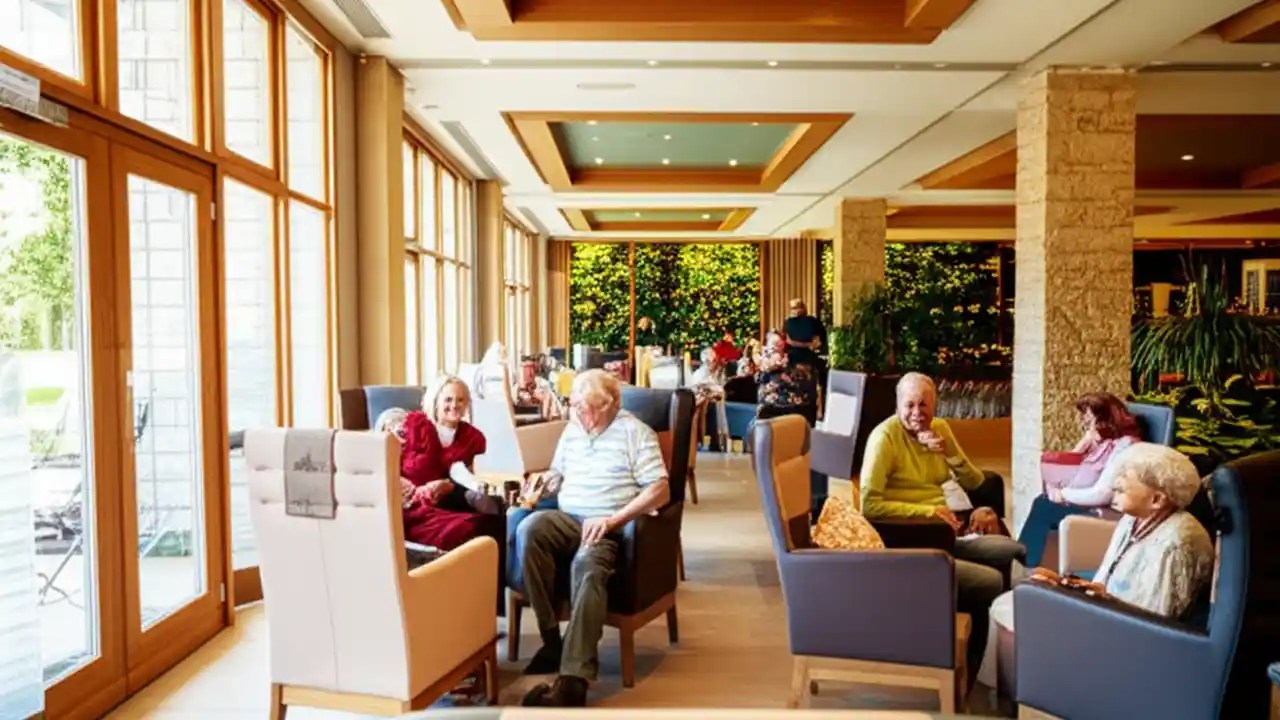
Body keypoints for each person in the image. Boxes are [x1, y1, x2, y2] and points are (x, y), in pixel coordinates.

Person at [979, 443, 1215, 686]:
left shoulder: (1178, 542)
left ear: (1156, 499)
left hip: (1130, 644)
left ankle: (1035, 697)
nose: (1115, 483)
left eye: (1126, 477)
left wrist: (1080, 602)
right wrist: (1069, 586)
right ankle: (1011, 696)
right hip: (1110, 616)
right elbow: (1106, 583)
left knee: (1022, 609)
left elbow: (1156, 623)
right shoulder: (1132, 521)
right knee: (1016, 600)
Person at [517, 369, 671, 707]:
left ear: (611, 404)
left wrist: (613, 520)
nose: (579, 415)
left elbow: (660, 490)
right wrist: (546, 482)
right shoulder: (574, 428)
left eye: (587, 408)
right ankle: (550, 641)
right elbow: (559, 471)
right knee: (529, 529)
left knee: (588, 565)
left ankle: (574, 679)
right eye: (575, 406)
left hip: (609, 525)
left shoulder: (636, 433)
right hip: (568, 519)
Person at [858, 372, 1025, 684]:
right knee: (990, 581)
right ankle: (973, 669)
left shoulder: (940, 429)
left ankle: (996, 658)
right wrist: (927, 510)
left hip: (943, 533)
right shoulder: (885, 438)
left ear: (935, 406)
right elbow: (869, 505)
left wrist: (948, 452)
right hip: (911, 540)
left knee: (1012, 550)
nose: (917, 413)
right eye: (909, 405)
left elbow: (976, 482)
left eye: (924, 405)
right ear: (897, 405)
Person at [1017, 392, 1141, 568]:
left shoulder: (1124, 447)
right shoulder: (1103, 444)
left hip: (1106, 512)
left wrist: (1063, 495)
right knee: (1043, 502)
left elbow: (1102, 494)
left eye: (1089, 421)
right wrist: (1081, 447)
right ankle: (1024, 562)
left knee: (1044, 507)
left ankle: (1023, 565)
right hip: (1090, 505)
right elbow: (1072, 475)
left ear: (1106, 421)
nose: (1085, 425)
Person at [399, 375, 502, 549]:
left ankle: (491, 576)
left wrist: (448, 486)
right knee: (468, 530)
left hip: (447, 505)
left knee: (492, 521)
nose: (454, 405)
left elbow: (471, 479)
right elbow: (386, 462)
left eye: (460, 400)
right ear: (436, 402)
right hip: (409, 507)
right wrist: (403, 485)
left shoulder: (471, 437)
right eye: (448, 399)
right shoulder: (414, 426)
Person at [755, 329, 817, 420]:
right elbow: (763, 370)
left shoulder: (790, 360)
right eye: (774, 345)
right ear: (766, 346)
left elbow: (801, 380)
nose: (776, 348)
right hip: (769, 402)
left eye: (779, 345)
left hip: (789, 402)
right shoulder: (764, 360)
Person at [782, 298, 826, 371]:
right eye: (792, 308)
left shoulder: (812, 321)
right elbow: (788, 341)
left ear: (803, 308)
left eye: (796, 307)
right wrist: (808, 344)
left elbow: (817, 342)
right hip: (793, 359)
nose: (794, 310)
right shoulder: (788, 322)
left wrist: (811, 345)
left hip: (808, 358)